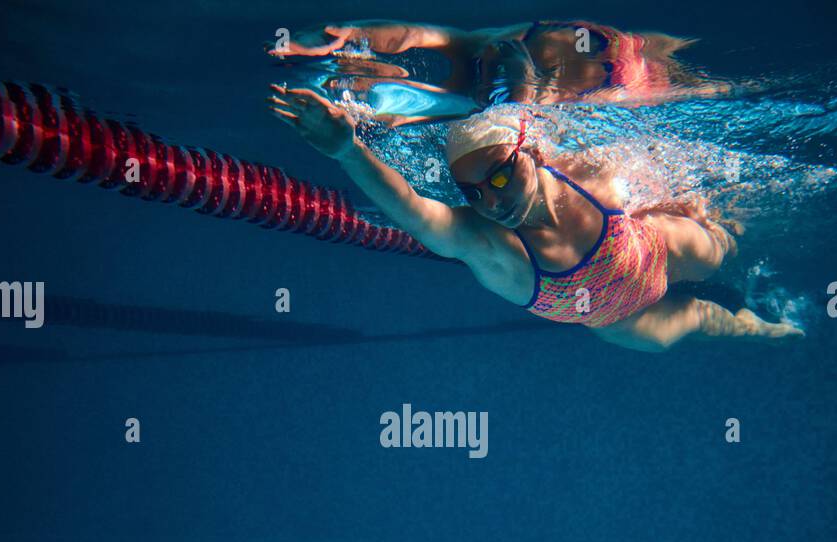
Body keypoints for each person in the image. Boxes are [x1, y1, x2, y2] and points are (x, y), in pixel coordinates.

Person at [266, 90, 803, 350]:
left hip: (656, 247)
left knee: (725, 248)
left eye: (499, 176)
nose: (491, 201)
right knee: (710, 324)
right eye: (471, 192)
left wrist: (689, 210)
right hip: (620, 319)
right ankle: (771, 327)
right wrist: (349, 152)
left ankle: (750, 275)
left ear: (534, 151)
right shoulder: (493, 248)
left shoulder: (588, 172)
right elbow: (416, 211)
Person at [270, 20, 734, 126]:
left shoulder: (523, 87)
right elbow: (423, 35)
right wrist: (352, 35)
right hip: (516, 81)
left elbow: (426, 37)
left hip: (517, 92)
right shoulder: (543, 45)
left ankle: (351, 83)